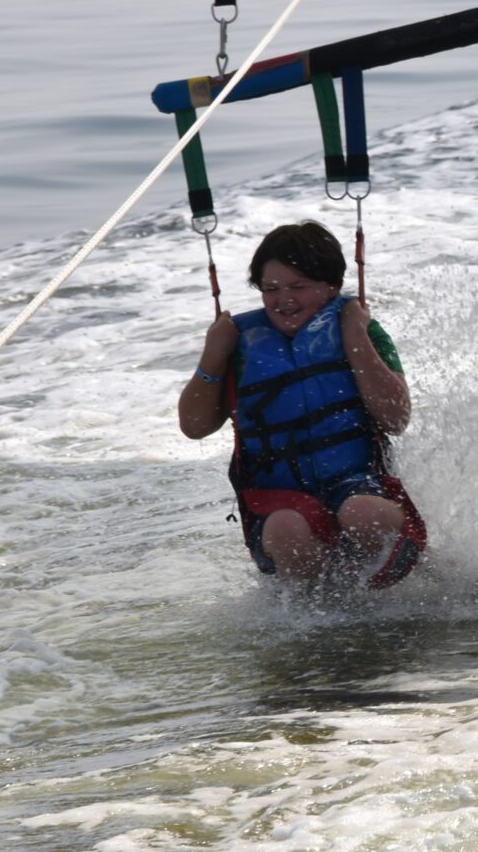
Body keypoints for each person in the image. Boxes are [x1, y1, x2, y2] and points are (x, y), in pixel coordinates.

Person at [178, 221, 427, 589]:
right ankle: (319, 614)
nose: (284, 300)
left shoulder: (360, 330)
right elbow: (194, 427)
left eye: (298, 287)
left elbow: (395, 418)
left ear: (331, 287)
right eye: (271, 289)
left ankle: (424, 581)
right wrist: (213, 355)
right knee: (287, 528)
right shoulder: (240, 346)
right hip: (276, 502)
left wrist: (355, 337)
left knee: (362, 512)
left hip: (362, 486)